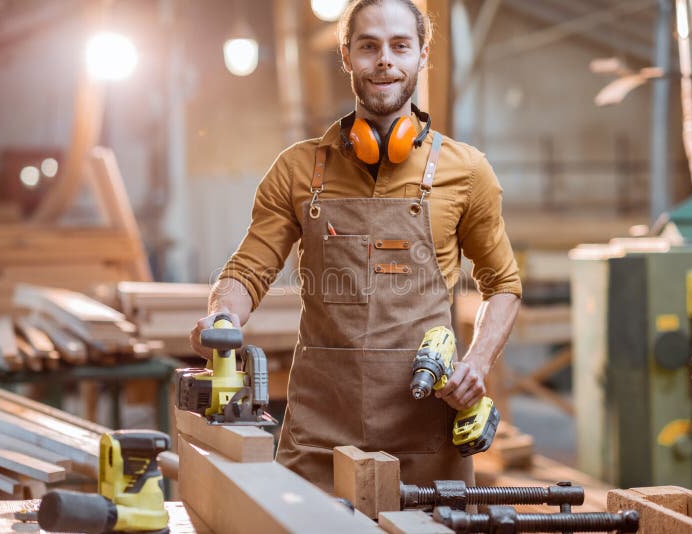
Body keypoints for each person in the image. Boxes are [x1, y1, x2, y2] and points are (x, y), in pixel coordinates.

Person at [190, 0, 521, 492]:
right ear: (346, 56)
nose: (384, 60)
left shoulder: (467, 171)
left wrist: (477, 363)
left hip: (426, 439)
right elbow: (248, 270)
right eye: (368, 46)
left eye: (399, 46)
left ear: (422, 55)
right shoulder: (298, 170)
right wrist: (223, 316)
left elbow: (503, 285)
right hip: (319, 436)